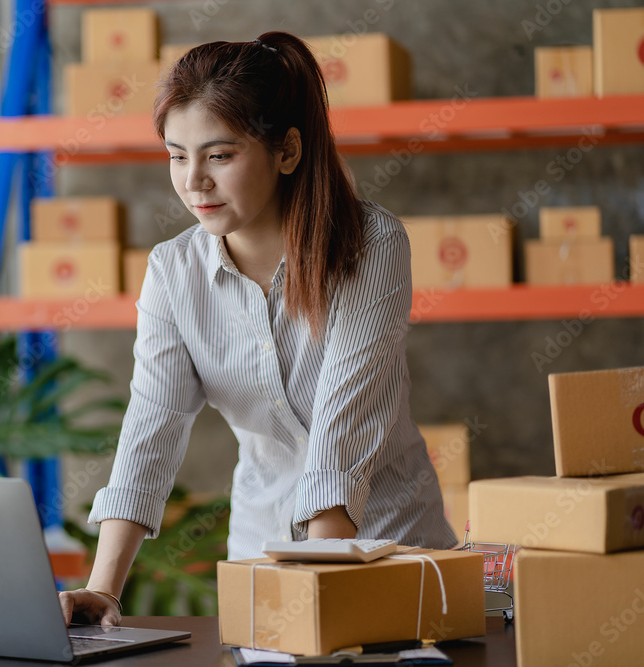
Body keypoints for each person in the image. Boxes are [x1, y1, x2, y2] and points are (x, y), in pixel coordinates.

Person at [59, 31, 457, 627]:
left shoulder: (371, 245)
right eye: (176, 155)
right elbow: (152, 425)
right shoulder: (173, 272)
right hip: (260, 556)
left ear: (287, 150)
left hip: (389, 552)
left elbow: (343, 425)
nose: (194, 180)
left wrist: (321, 587)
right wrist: (104, 590)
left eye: (220, 155)